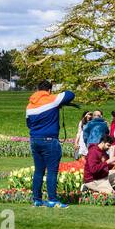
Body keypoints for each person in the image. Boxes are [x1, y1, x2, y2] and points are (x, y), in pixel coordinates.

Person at [25, 80, 78, 208]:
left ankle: (37, 200)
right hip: (49, 140)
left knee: (39, 171)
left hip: (34, 140)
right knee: (52, 171)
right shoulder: (52, 99)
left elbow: (28, 124)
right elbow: (70, 94)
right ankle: (52, 200)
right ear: (49, 90)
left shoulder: (29, 105)